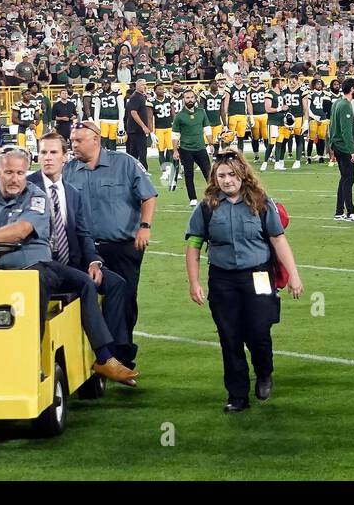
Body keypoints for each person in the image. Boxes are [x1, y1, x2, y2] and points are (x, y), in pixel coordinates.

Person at [0, 146, 138, 386]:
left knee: (74, 283)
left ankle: (93, 357)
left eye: (20, 172)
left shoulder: (36, 196)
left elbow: (23, 229)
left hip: (34, 267)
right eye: (8, 172)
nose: (15, 178)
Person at [185, 150, 303, 412]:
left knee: (259, 330)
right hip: (222, 279)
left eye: (232, 174)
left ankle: (264, 372)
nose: (227, 180)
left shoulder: (261, 203)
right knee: (229, 337)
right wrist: (194, 282)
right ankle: (237, 395)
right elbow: (193, 245)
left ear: (243, 175)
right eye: (221, 175)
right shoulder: (206, 207)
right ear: (214, 178)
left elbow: (278, 239)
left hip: (259, 275)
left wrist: (294, 275)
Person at [29, 133, 133, 373]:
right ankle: (105, 356)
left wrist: (95, 261)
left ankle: (117, 353)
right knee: (86, 283)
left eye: (54, 152)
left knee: (117, 284)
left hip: (72, 264)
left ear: (65, 157)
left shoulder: (73, 192)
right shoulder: (27, 188)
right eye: (43, 152)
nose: (47, 158)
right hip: (44, 266)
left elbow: (84, 234)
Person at [66, 120, 157, 369]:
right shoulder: (69, 170)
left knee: (125, 299)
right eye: (72, 140)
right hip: (85, 250)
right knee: (83, 302)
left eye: (78, 140)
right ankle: (100, 355)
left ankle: (123, 356)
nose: (73, 145)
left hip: (122, 244)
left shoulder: (124, 163)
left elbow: (148, 195)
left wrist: (145, 227)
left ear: (95, 139)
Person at [172, 88, 213, 206]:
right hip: (186, 149)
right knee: (189, 174)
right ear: (183, 99)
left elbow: (207, 129)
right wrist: (175, 151)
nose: (190, 100)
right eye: (187, 98)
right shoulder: (179, 116)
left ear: (195, 98)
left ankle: (213, 195)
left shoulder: (202, 112)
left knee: (209, 173)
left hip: (201, 148)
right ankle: (192, 198)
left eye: (191, 97)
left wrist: (211, 144)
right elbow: (175, 135)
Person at [330, 77, 354, 221]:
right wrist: (353, 150)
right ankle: (350, 212)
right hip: (344, 147)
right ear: (352, 89)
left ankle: (339, 211)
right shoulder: (345, 106)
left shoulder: (337, 103)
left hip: (337, 146)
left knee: (344, 179)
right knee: (349, 179)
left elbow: (332, 127)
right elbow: (346, 131)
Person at [125, 77, 151, 170]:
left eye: (145, 85)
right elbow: (133, 112)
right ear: (138, 86)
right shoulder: (136, 97)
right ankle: (143, 170)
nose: (145, 86)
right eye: (143, 85)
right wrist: (144, 126)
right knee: (141, 151)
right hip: (137, 129)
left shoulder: (140, 96)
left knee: (134, 152)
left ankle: (132, 170)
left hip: (134, 129)